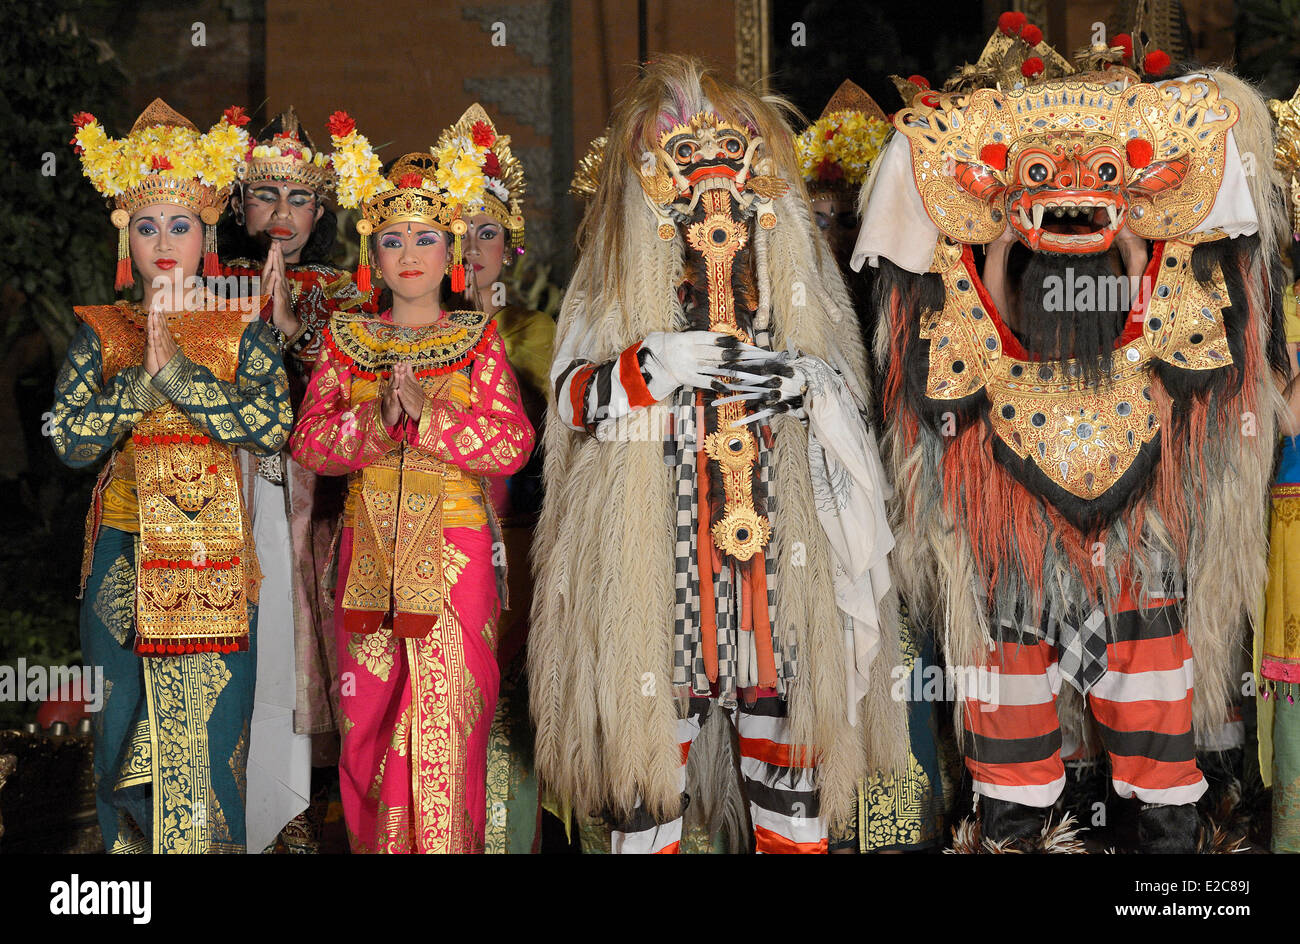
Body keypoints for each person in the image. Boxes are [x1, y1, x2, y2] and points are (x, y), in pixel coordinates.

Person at [854, 16, 1287, 852]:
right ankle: (1015, 837)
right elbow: (974, 358)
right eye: (1045, 176)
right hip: (1013, 548)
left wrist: (1129, 252)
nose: (1069, 200)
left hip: (1132, 547)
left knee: (1159, 739)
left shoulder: (1143, 308)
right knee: (1009, 744)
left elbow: (1163, 345)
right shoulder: (1008, 304)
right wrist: (997, 256)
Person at [530, 55, 908, 854]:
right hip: (655, 589)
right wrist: (647, 367)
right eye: (690, 189)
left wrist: (808, 385)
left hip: (781, 587)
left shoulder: (799, 282)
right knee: (645, 805)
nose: (715, 206)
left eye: (735, 190)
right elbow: (570, 404)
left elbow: (847, 390)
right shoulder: (611, 283)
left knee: (794, 804)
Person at [290, 111, 535, 853]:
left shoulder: (478, 340)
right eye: (392, 239)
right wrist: (374, 427)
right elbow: (309, 441)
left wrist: (429, 419)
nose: (408, 254)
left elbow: (514, 444)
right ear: (373, 250)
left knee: (442, 722)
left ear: (451, 247)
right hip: (366, 559)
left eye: (425, 238)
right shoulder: (345, 339)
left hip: (455, 557)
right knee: (367, 731)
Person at [53, 99, 291, 853]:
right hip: (123, 557)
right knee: (121, 738)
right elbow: (67, 437)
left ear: (207, 234)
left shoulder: (244, 326)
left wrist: (182, 379)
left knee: (212, 744)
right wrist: (139, 386)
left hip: (213, 562)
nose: (164, 243)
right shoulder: (104, 329)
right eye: (147, 226)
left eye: (180, 226)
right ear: (127, 234)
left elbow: (273, 425)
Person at [797, 81, 950, 853]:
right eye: (818, 220)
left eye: (850, 220)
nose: (834, 237)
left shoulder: (916, 303)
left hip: (900, 529)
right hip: (815, 528)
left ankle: (896, 836)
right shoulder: (787, 307)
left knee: (901, 677)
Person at [219, 106, 367, 853]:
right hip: (227, 491)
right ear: (238, 204)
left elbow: (355, 402)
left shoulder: (347, 297)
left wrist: (292, 337)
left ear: (322, 208)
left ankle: (306, 815)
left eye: (299, 198)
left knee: (309, 639)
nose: (281, 214)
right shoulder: (202, 285)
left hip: (314, 502)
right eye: (266, 196)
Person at [442, 104, 554, 854]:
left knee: (512, 719)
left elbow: (545, 444)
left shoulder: (536, 334)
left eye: (488, 233)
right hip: (435, 549)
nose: (472, 248)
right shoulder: (410, 333)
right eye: (458, 233)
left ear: (510, 248)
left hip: (517, 546)